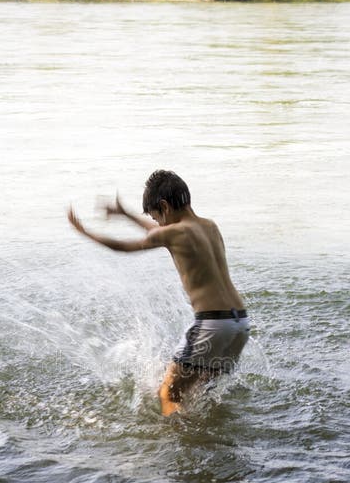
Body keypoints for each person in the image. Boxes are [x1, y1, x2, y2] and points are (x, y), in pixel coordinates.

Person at [67, 170, 250, 416]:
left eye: (157, 216)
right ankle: (212, 441)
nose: (157, 222)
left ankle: (178, 448)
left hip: (212, 324)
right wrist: (125, 215)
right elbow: (158, 231)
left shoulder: (173, 233)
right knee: (204, 391)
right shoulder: (209, 226)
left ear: (164, 206)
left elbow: (124, 246)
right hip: (238, 324)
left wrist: (85, 232)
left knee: (169, 394)